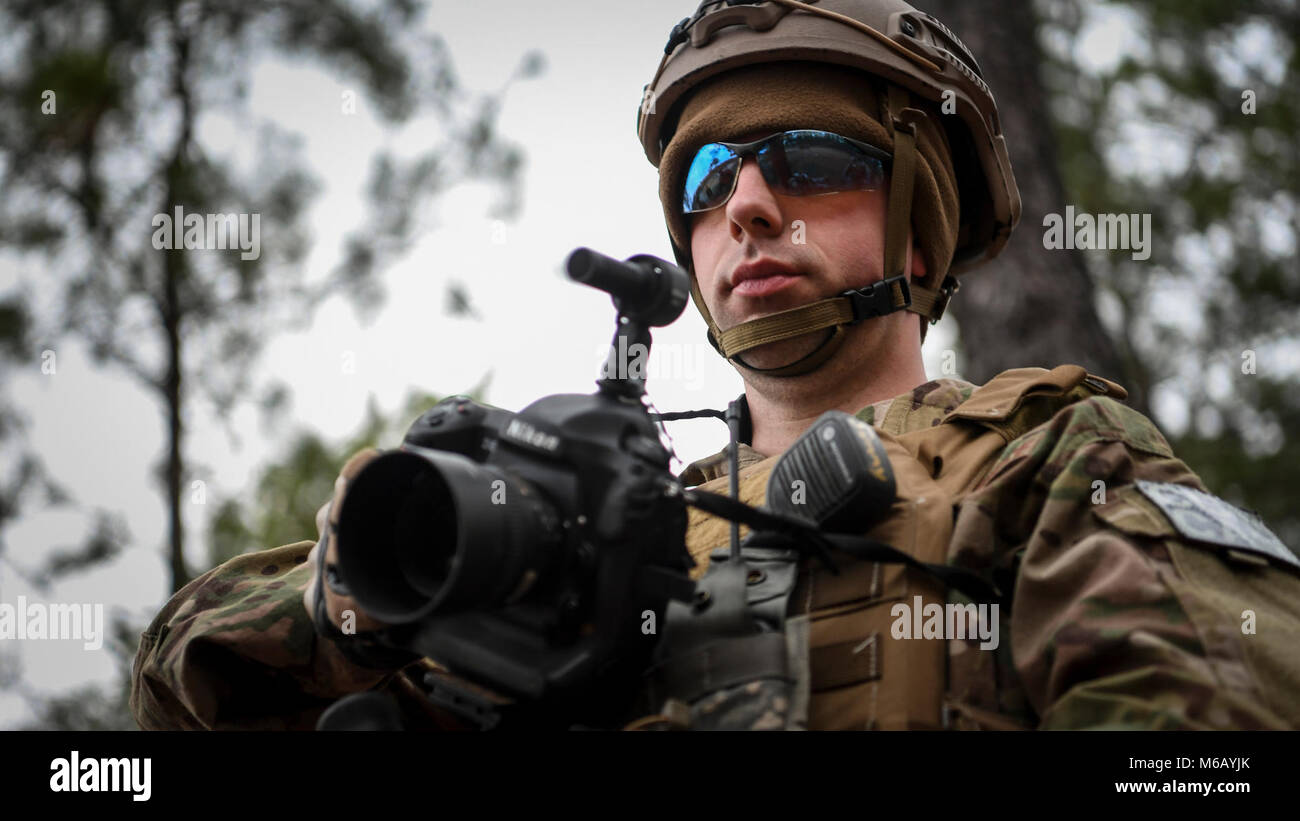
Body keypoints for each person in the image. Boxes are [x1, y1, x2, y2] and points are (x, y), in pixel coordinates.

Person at [130, 0, 1300, 731]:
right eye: (708, 181)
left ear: (917, 227)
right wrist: (367, 584)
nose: (746, 205)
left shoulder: (1044, 454)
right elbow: (174, 691)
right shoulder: (581, 538)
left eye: (804, 158)